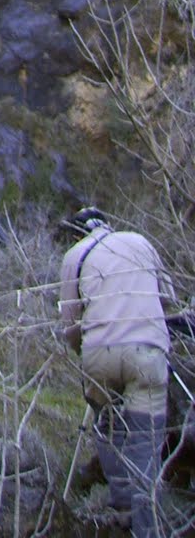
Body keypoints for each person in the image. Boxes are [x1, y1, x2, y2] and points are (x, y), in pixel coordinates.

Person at [60, 206, 175, 536]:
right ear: (108, 226)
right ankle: (147, 528)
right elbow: (166, 297)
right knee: (144, 441)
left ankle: (122, 507)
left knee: (107, 424)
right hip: (146, 351)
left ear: (78, 233)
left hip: (99, 353)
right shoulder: (139, 241)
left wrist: (82, 349)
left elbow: (70, 324)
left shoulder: (75, 255)